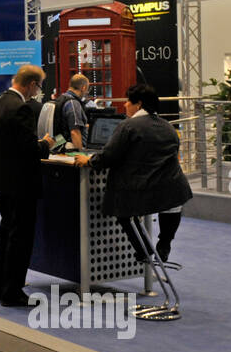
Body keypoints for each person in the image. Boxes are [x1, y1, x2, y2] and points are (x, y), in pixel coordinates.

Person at [74, 83, 192, 265]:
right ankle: (164, 243)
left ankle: (143, 250)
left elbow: (109, 156)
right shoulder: (168, 127)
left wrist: (88, 161)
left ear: (139, 104)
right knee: (172, 206)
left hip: (140, 191)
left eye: (129, 101)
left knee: (124, 212)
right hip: (173, 190)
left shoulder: (128, 126)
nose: (125, 105)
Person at [0, 64, 54, 307]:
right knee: (20, 239)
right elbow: (28, 150)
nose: (37, 92)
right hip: (20, 184)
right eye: (38, 87)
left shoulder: (0, 102)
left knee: (6, 234)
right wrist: (45, 144)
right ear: (32, 84)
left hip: (0, 181)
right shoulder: (21, 108)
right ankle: (12, 291)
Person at [54, 74, 90, 151]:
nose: (87, 92)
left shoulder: (61, 98)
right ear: (83, 88)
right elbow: (75, 132)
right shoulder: (73, 103)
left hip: (59, 145)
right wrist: (80, 154)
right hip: (70, 147)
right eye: (87, 89)